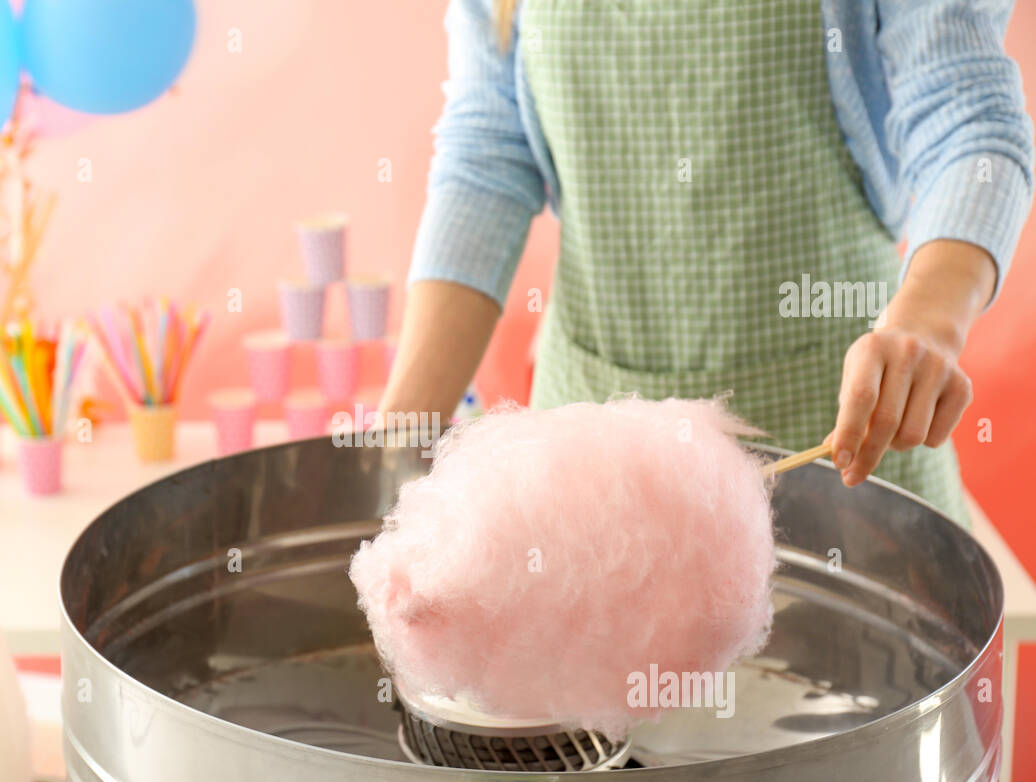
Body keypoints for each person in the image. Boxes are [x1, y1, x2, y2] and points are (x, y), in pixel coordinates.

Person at [379, 0, 1034, 525]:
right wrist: (395, 457)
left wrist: (926, 324)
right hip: (587, 482)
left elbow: (968, 124)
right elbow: (487, 153)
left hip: (841, 468)